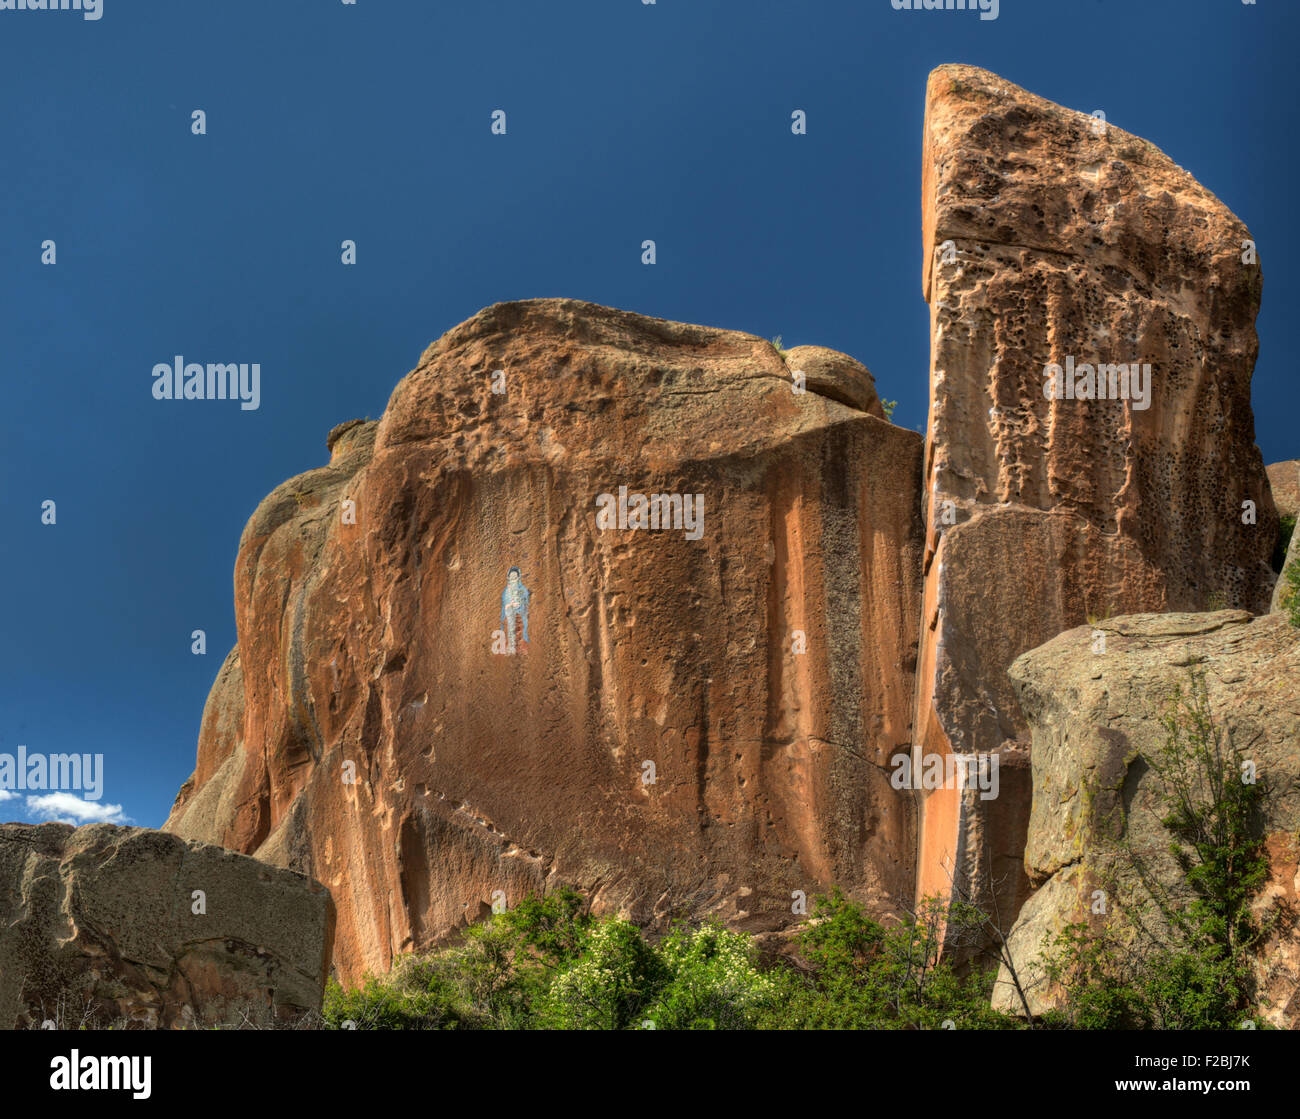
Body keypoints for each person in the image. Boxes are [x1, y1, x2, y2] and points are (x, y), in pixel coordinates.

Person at [500, 566, 530, 654]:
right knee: (511, 628)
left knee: (522, 628)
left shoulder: (522, 589)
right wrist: (510, 605)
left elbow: (526, 600)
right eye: (511, 577)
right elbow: (505, 604)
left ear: (518, 577)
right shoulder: (507, 591)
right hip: (510, 613)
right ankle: (512, 647)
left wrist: (521, 606)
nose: (513, 579)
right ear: (508, 578)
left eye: (515, 577)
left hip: (521, 613)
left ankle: (521, 646)